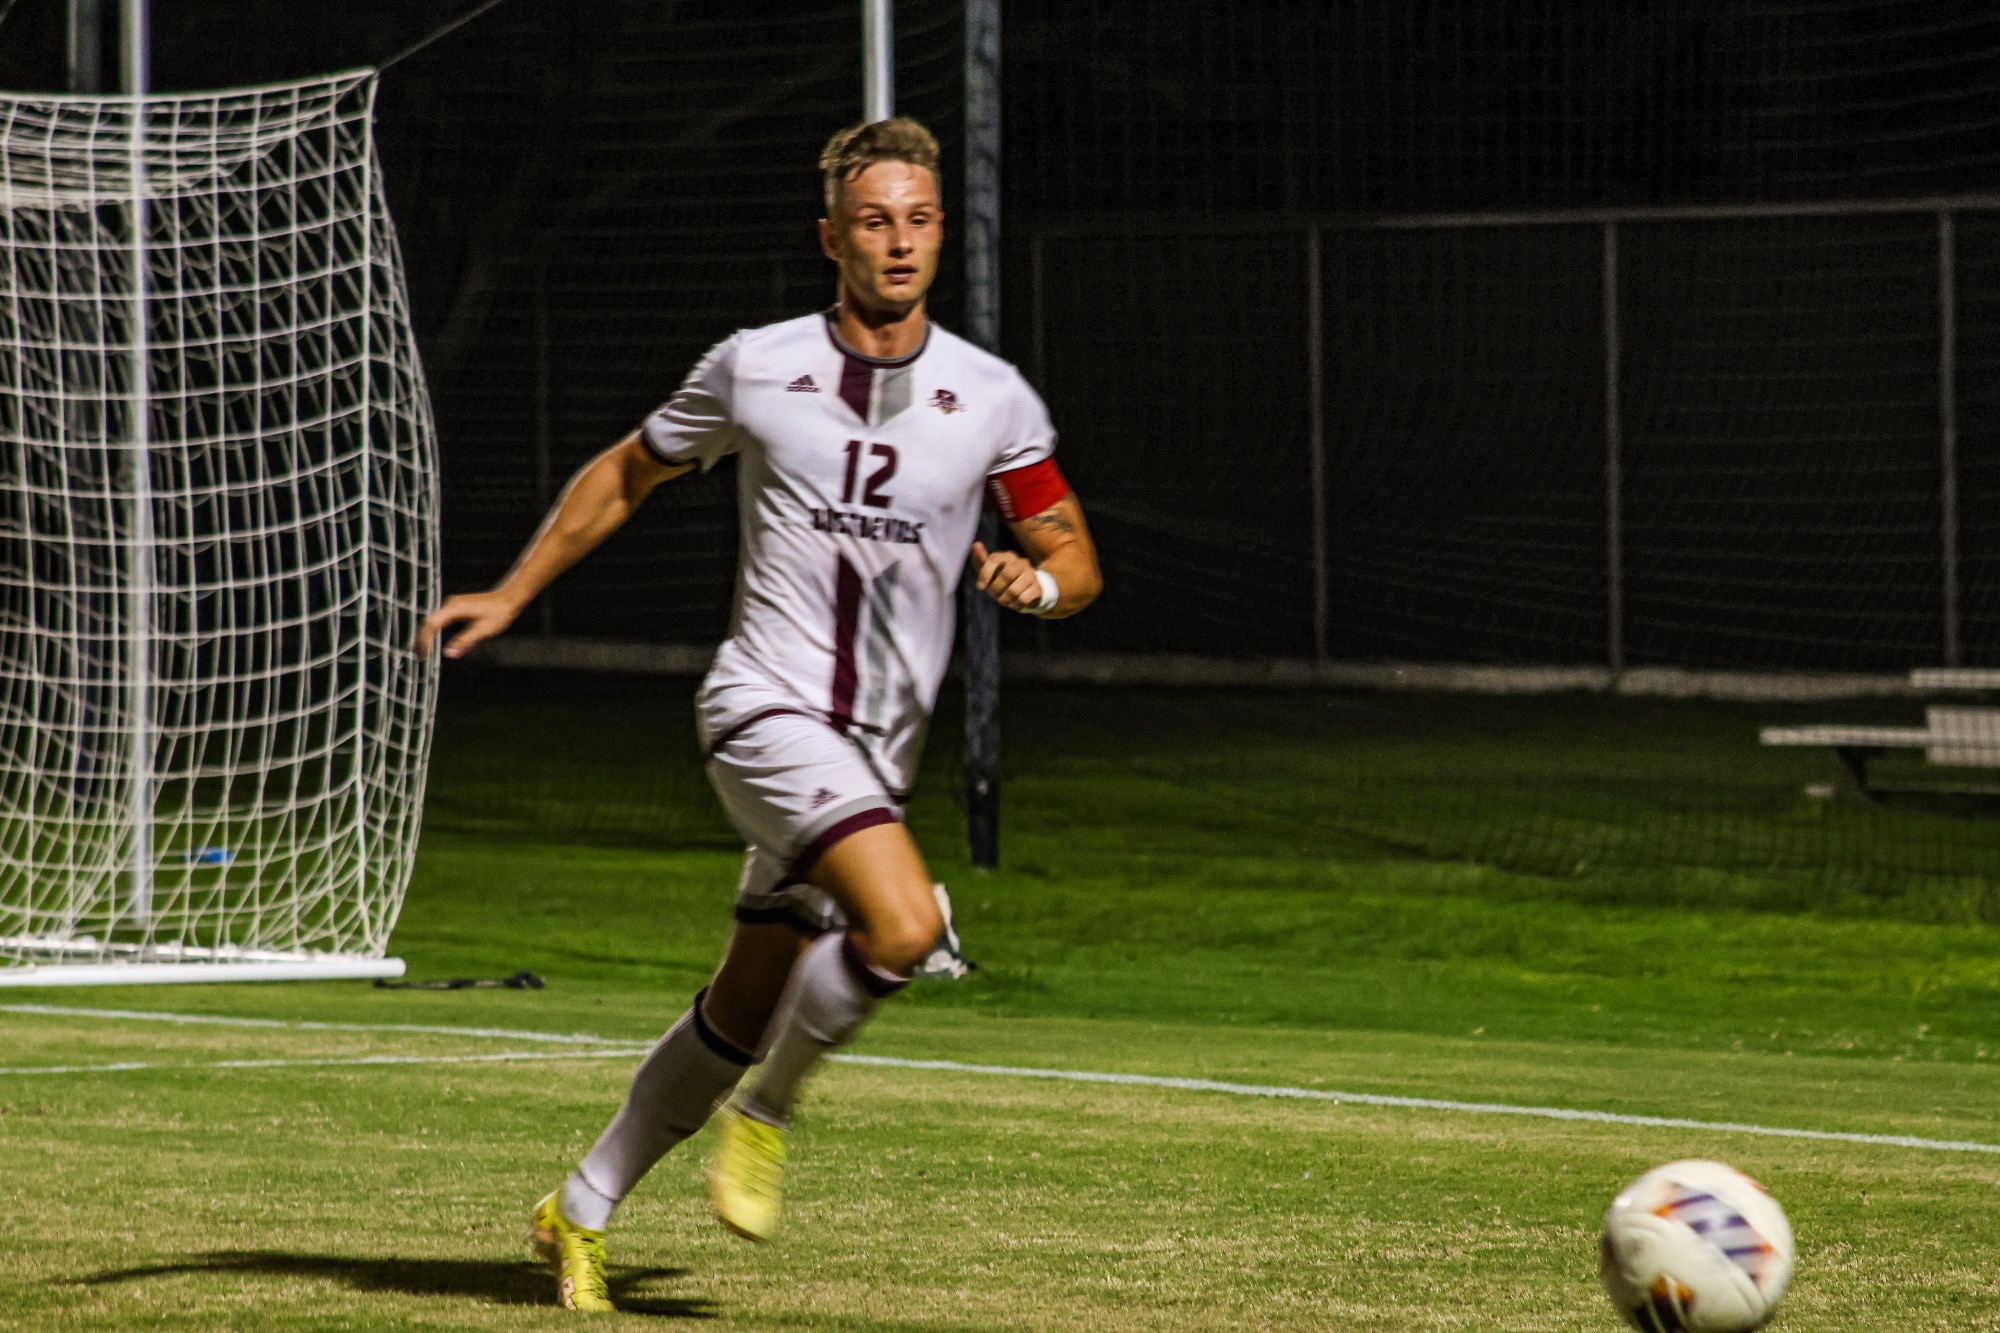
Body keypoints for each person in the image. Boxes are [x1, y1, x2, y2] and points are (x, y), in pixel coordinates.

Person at [417, 116, 1102, 1313]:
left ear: (943, 232)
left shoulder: (991, 398)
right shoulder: (755, 365)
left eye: (919, 219)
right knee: (904, 926)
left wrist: (1033, 585)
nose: (899, 241)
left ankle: (577, 1207)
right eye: (875, 220)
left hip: (875, 758)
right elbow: (627, 469)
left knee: (740, 1005)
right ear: (831, 237)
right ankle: (769, 1113)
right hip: (764, 710)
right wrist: (514, 592)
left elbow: (1072, 555)